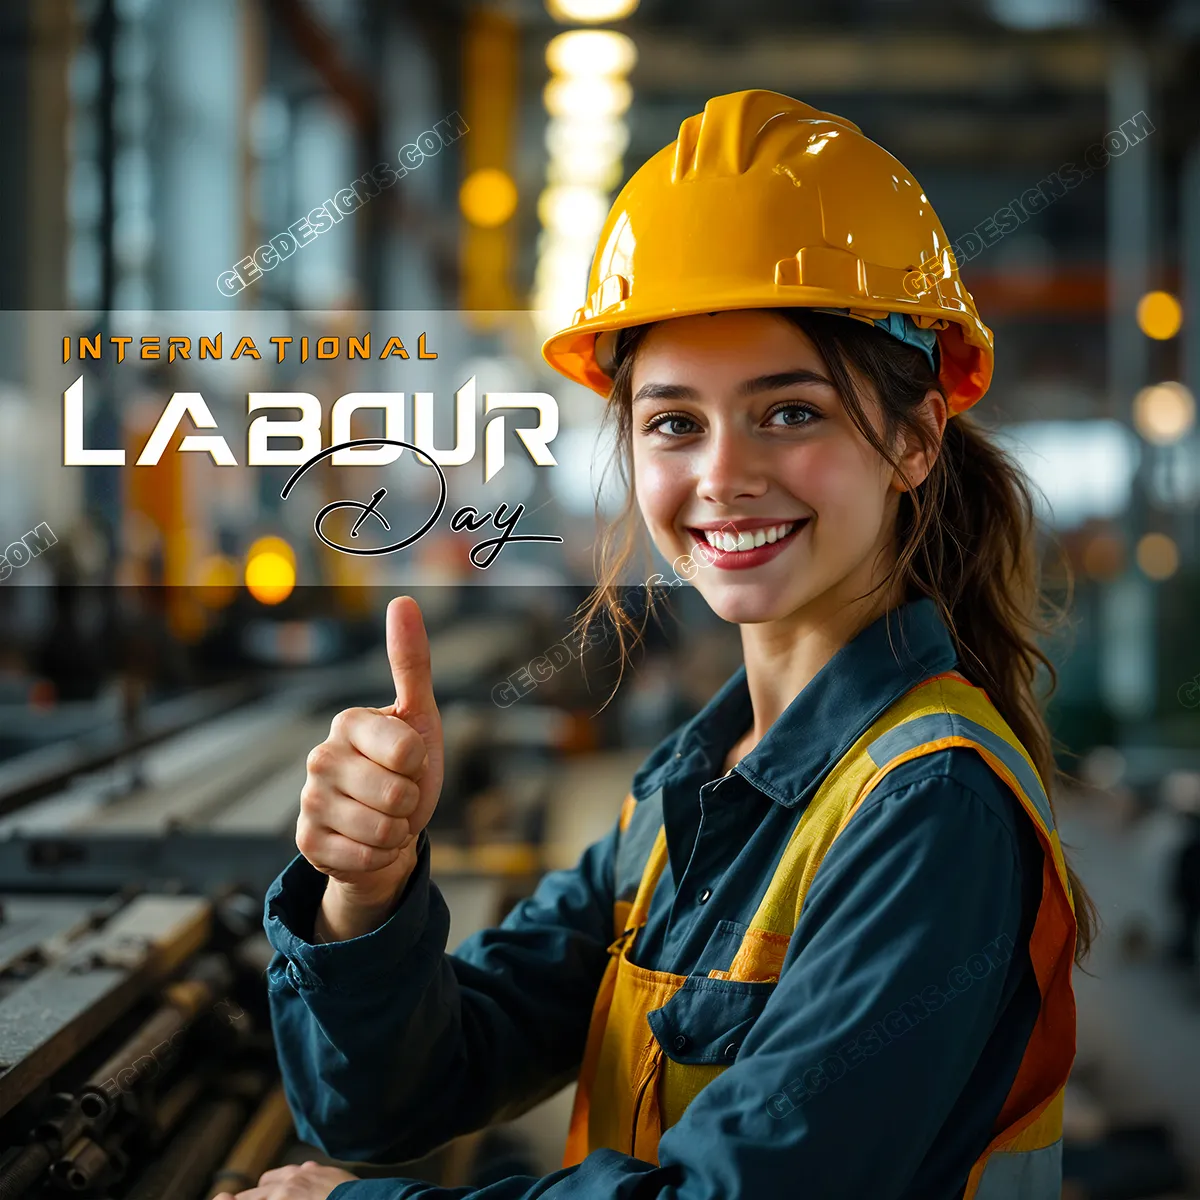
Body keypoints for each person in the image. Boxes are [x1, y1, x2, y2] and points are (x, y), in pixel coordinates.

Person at [229, 89, 1094, 1200]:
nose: (723, 476)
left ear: (917, 437)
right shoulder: (691, 789)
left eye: (791, 412)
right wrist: (364, 892)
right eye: (675, 422)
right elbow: (395, 1100)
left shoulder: (931, 811)